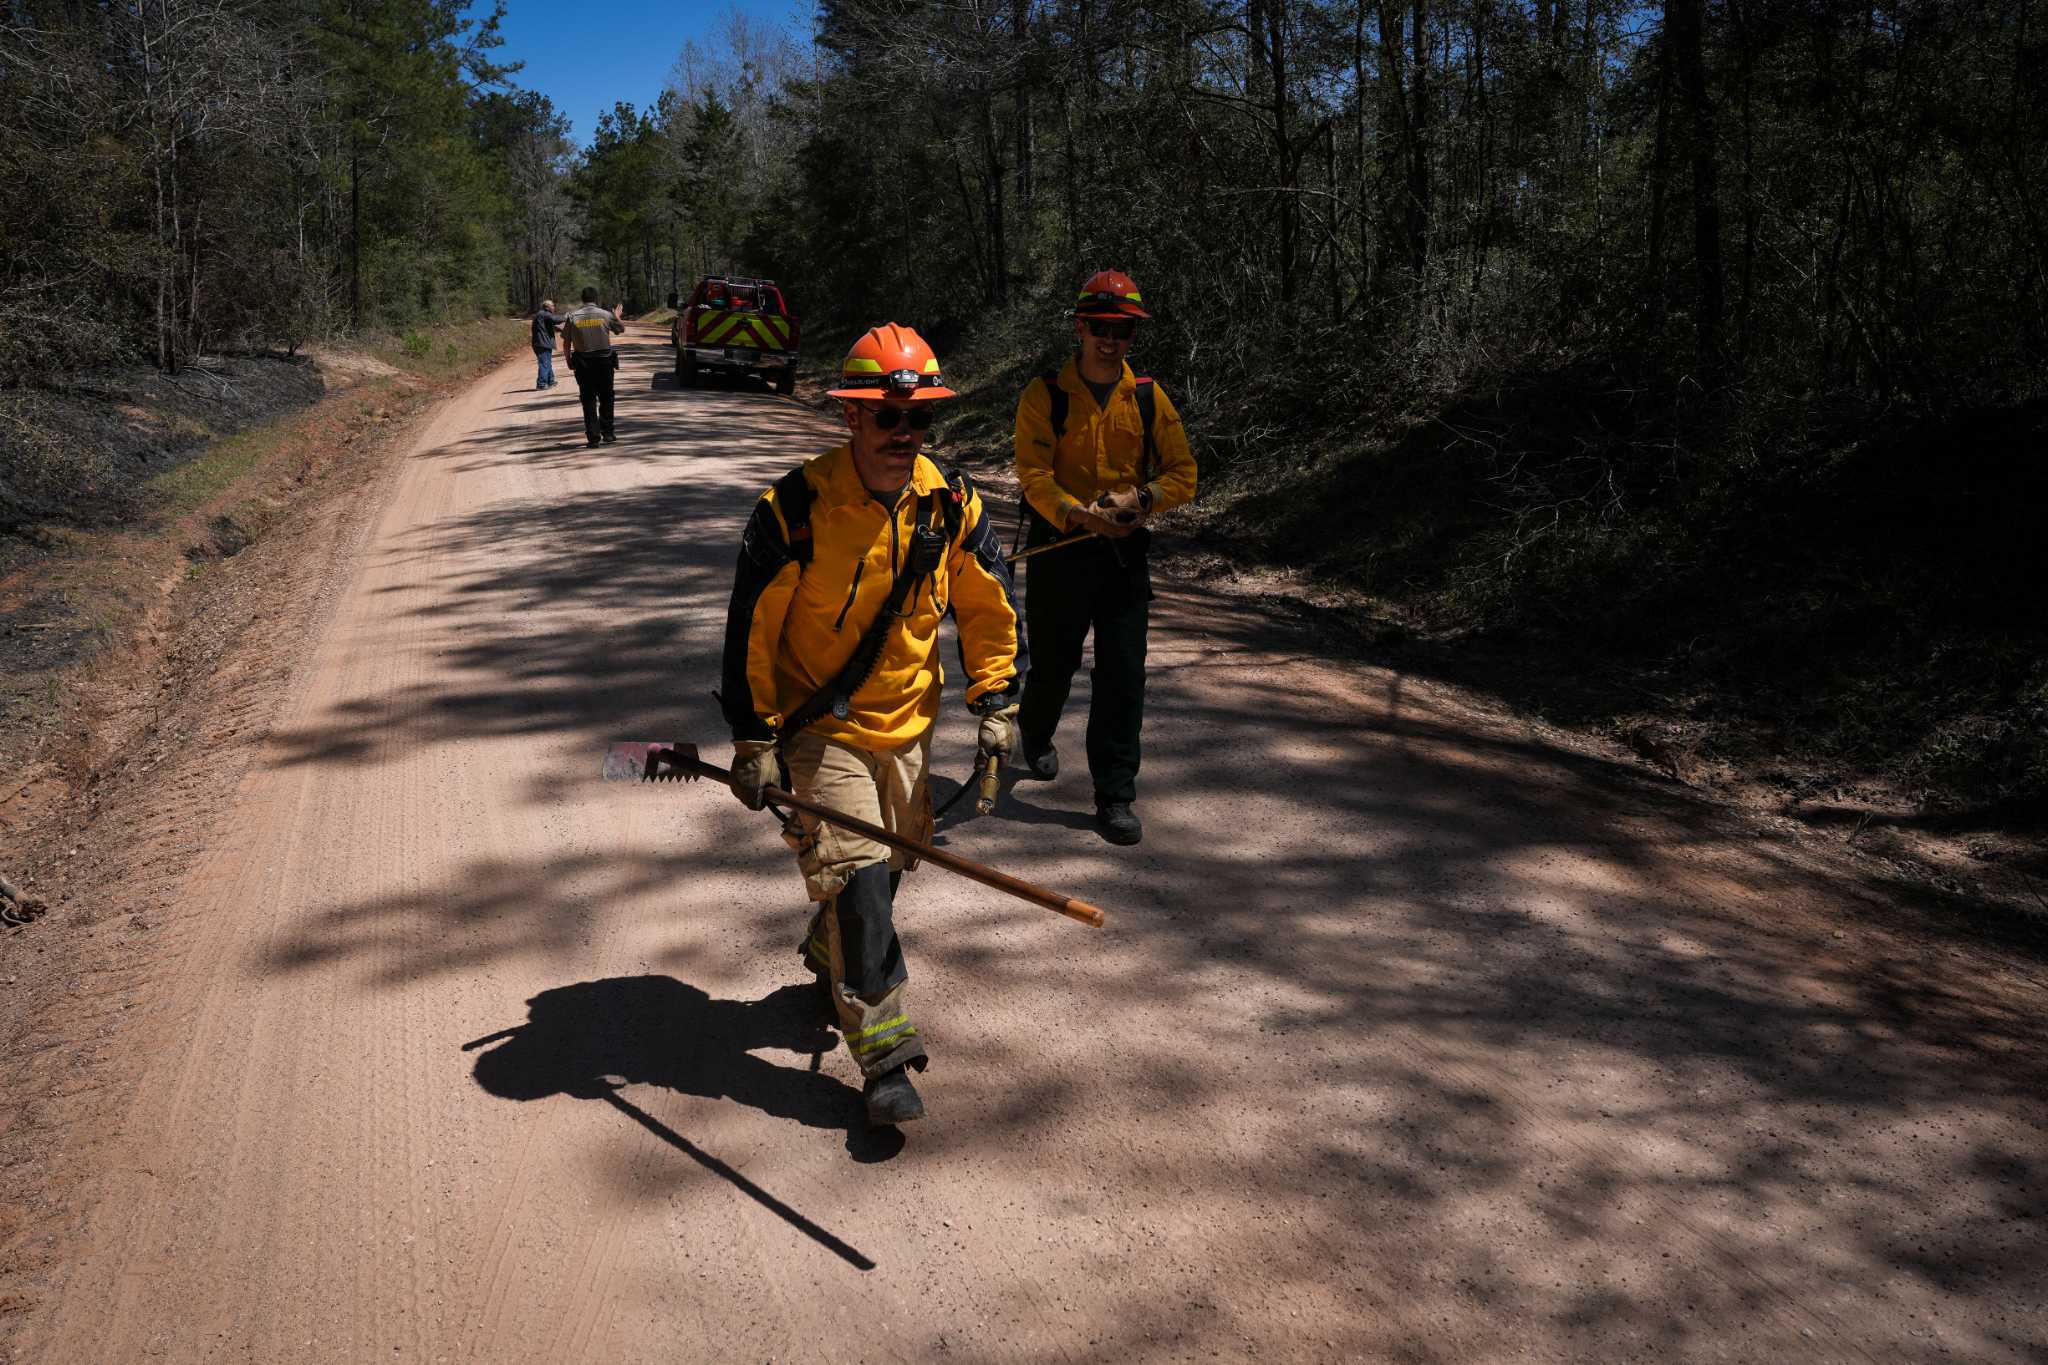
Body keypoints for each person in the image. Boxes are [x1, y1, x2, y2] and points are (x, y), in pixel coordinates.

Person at [719, 323, 1025, 1126]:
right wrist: (755, 736)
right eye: (887, 417)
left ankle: (831, 952)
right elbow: (751, 627)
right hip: (822, 729)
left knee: (888, 869)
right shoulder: (793, 511)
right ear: (850, 417)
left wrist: (996, 703)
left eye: (919, 419)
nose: (905, 433)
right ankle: (885, 1054)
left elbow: (989, 610)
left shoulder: (952, 504)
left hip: (910, 728)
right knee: (860, 879)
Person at [1011, 269, 1196, 846]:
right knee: (1053, 668)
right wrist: (1076, 512)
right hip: (1058, 553)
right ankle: (1035, 735)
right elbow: (1032, 475)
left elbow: (1183, 474)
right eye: (1099, 326)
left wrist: (1143, 498)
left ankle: (1115, 795)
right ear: (1080, 326)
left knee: (1123, 677)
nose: (1109, 339)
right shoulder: (1045, 394)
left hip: (1122, 561)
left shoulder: (1147, 396)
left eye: (1122, 329)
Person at [558, 286, 624, 446]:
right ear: (596, 298)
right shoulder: (605, 315)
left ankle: (593, 437)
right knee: (607, 397)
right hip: (604, 362)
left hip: (583, 363)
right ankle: (608, 433)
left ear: (582, 299)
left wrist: (568, 361)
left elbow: (566, 342)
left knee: (588, 400)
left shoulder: (573, 317)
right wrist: (617, 316)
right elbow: (621, 329)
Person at [531, 300, 562, 390]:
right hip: (542, 343)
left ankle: (550, 381)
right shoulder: (544, 314)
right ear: (547, 307)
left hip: (543, 343)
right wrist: (567, 316)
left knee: (547, 363)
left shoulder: (543, 315)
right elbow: (555, 319)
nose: (554, 307)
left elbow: (553, 325)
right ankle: (541, 384)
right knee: (544, 363)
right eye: (552, 305)